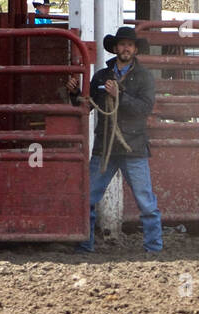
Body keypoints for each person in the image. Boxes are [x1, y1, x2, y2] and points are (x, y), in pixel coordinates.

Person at [68, 26, 163, 254]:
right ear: (116, 48)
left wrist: (120, 96)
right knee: (88, 197)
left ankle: (154, 248)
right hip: (106, 148)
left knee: (146, 202)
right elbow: (87, 105)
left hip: (133, 147)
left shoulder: (144, 77)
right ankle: (85, 244)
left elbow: (144, 109)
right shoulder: (101, 75)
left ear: (135, 49)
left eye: (129, 44)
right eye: (122, 44)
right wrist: (73, 94)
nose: (125, 48)